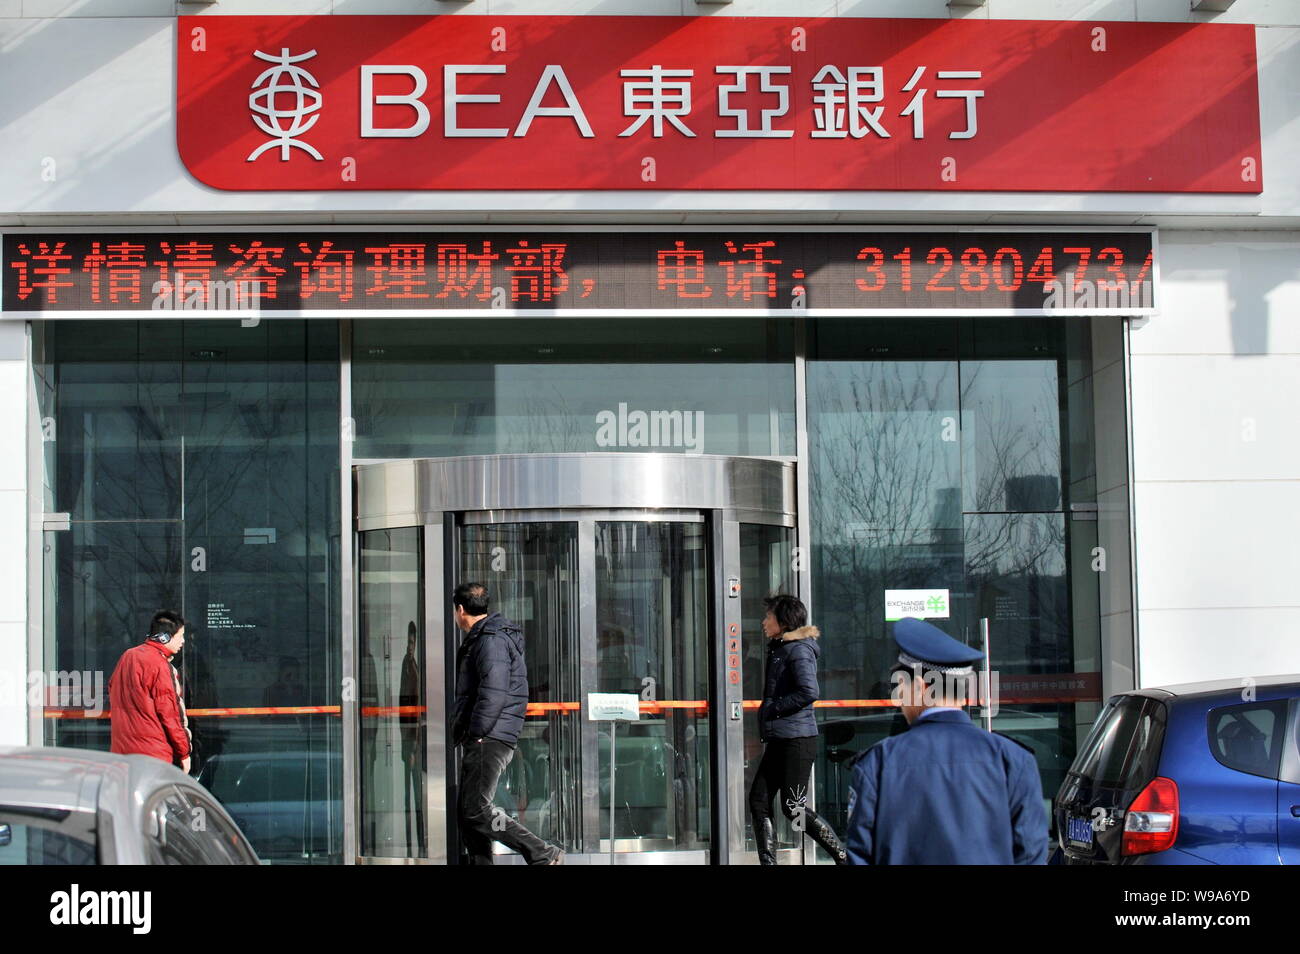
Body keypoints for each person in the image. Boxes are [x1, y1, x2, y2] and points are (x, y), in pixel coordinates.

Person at [845, 617, 1048, 865]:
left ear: (919, 686)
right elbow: (1030, 855)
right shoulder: (1014, 759)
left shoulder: (878, 762)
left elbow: (860, 856)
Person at [450, 582, 563, 865]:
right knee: (468, 813)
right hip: (490, 734)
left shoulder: (491, 640)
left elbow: (494, 691)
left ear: (460, 610)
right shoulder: (487, 637)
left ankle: (542, 853)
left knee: (475, 809)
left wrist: (477, 732)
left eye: (455, 611)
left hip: (490, 736)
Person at [749, 594, 848, 865]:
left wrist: (773, 709)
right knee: (759, 801)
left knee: (793, 808)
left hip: (798, 740)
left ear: (783, 620)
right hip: (782, 738)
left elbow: (809, 691)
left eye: (768, 617)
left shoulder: (798, 649)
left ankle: (843, 857)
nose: (763, 622)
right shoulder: (780, 648)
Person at [108, 610, 192, 773]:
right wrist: (184, 753)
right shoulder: (160, 665)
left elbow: (112, 689)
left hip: (122, 753)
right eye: (180, 636)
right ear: (164, 637)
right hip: (154, 755)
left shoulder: (128, 656)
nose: (183, 641)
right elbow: (170, 715)